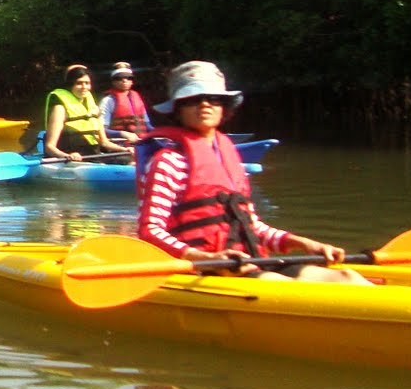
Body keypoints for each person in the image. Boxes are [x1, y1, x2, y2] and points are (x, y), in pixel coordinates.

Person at [136, 60, 370, 284]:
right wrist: (204, 258)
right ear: (177, 109)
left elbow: (254, 226)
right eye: (193, 100)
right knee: (279, 284)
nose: (205, 104)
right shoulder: (168, 161)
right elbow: (150, 231)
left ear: (224, 107)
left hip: (252, 261)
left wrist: (302, 243)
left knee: (348, 278)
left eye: (214, 99)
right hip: (207, 269)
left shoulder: (230, 158)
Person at [44, 64, 131, 161]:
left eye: (87, 83)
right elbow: (49, 147)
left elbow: (104, 143)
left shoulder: (93, 108)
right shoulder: (60, 109)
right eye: (79, 83)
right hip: (70, 160)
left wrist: (125, 149)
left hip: (93, 156)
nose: (84, 87)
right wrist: (66, 156)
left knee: (128, 159)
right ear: (70, 84)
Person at [99, 61, 151, 142]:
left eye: (128, 78)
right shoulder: (108, 101)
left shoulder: (138, 98)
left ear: (132, 81)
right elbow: (101, 130)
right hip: (120, 145)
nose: (124, 80)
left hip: (141, 142)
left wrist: (161, 133)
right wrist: (123, 134)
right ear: (113, 81)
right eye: (119, 78)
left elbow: (148, 126)